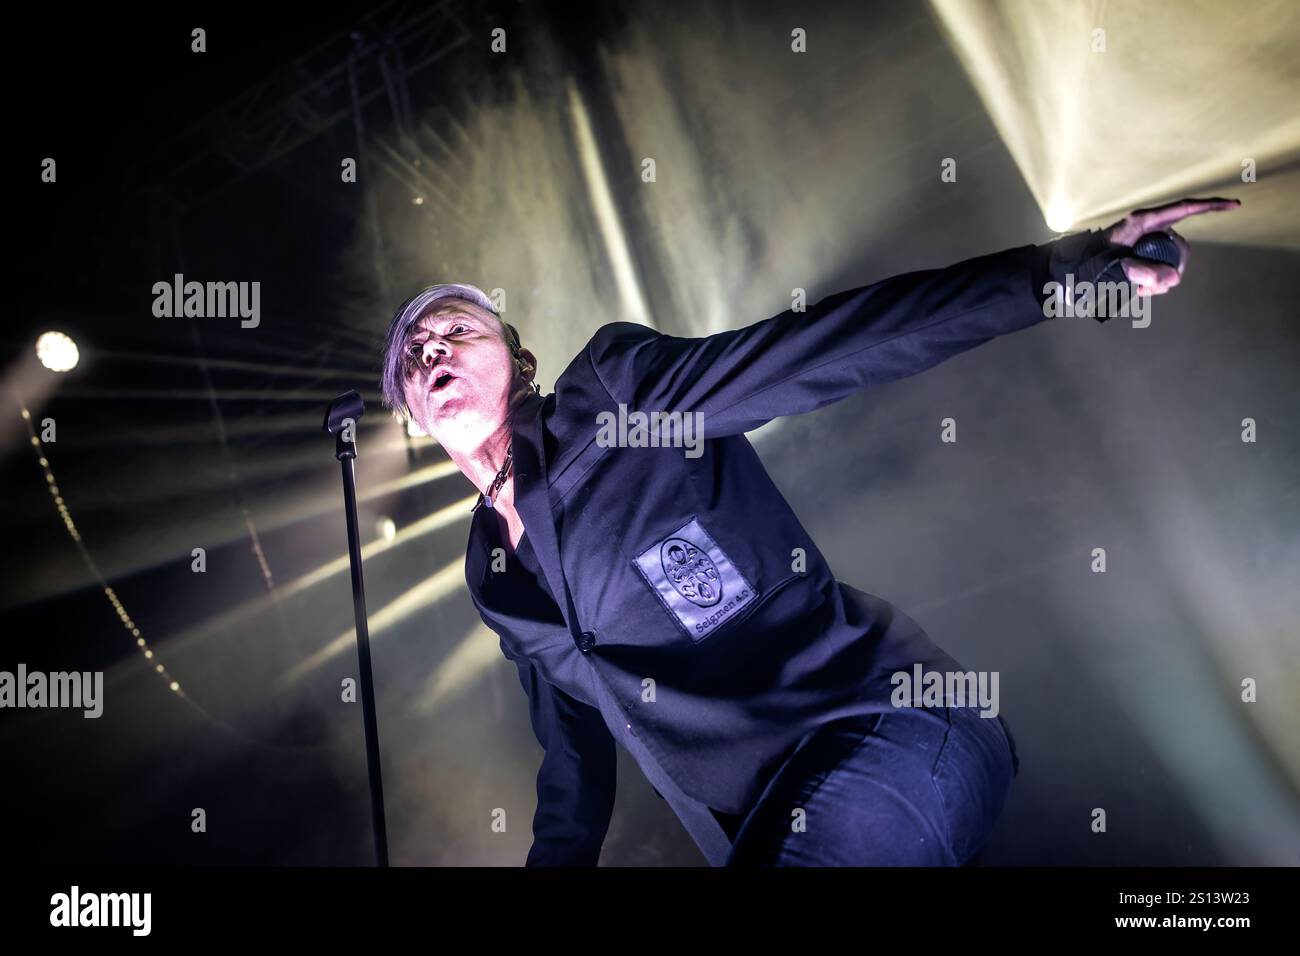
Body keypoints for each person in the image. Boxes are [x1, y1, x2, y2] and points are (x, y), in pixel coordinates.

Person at [379, 198, 1239, 866]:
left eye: (458, 328)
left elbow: (815, 350)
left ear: (517, 359)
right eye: (414, 355)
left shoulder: (612, 396)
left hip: (886, 726)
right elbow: (572, 762)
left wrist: (1055, 275)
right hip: (770, 822)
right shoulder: (493, 574)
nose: (433, 351)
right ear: (413, 415)